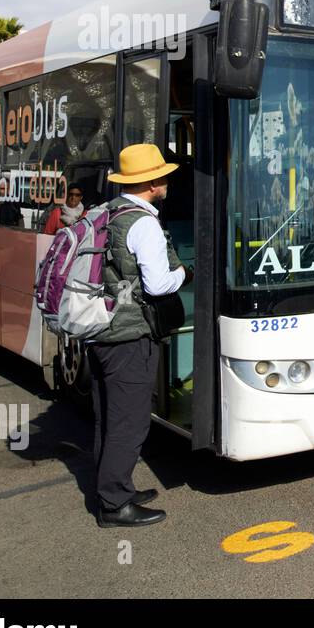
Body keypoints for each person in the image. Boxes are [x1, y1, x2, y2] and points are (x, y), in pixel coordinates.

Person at [89, 143, 189, 528]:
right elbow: (160, 284)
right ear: (151, 182)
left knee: (107, 419)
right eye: (162, 174)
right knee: (129, 422)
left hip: (100, 330)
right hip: (129, 335)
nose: (166, 180)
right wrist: (187, 274)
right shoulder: (143, 222)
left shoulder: (109, 212)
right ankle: (115, 505)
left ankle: (114, 489)